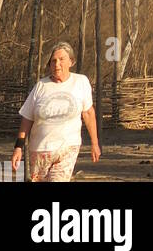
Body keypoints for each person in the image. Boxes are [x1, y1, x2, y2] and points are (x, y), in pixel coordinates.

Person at [11, 41, 101, 183]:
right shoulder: (41, 86)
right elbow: (27, 118)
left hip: (67, 147)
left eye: (61, 59)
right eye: (53, 61)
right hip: (40, 150)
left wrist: (94, 143)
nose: (57, 64)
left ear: (71, 61)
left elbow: (88, 113)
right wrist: (18, 147)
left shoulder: (81, 82)